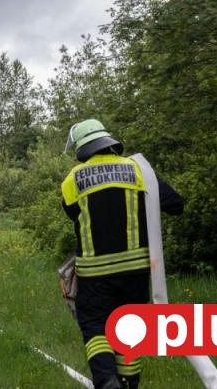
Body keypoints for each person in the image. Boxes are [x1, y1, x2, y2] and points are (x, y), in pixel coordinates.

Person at [61, 119, 183, 389]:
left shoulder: (73, 179)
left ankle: (106, 380)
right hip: (136, 271)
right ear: (109, 141)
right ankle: (128, 382)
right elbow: (175, 204)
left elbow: (72, 213)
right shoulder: (139, 170)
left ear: (82, 148)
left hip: (94, 273)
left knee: (95, 325)